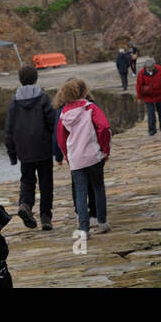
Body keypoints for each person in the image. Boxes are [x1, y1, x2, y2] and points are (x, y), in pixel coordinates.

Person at [54, 78, 111, 236]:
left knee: (80, 192)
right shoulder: (90, 108)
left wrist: (67, 156)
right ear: (84, 92)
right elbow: (104, 127)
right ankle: (101, 221)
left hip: (76, 159)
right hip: (93, 155)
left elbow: (61, 139)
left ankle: (84, 228)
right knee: (98, 187)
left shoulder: (64, 114)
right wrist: (105, 149)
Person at [4, 64, 57, 231]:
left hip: (24, 150)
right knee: (46, 183)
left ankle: (25, 205)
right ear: (36, 78)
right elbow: (53, 124)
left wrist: (12, 154)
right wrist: (57, 148)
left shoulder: (14, 101)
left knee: (27, 180)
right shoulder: (43, 98)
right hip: (43, 148)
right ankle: (46, 217)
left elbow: (9, 129)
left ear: (20, 80)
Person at [135, 54, 161, 138]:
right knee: (151, 114)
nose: (150, 69)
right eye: (148, 68)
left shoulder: (159, 69)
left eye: (151, 68)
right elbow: (138, 86)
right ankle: (152, 131)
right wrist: (139, 97)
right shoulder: (142, 73)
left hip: (159, 95)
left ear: (154, 66)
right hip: (148, 97)